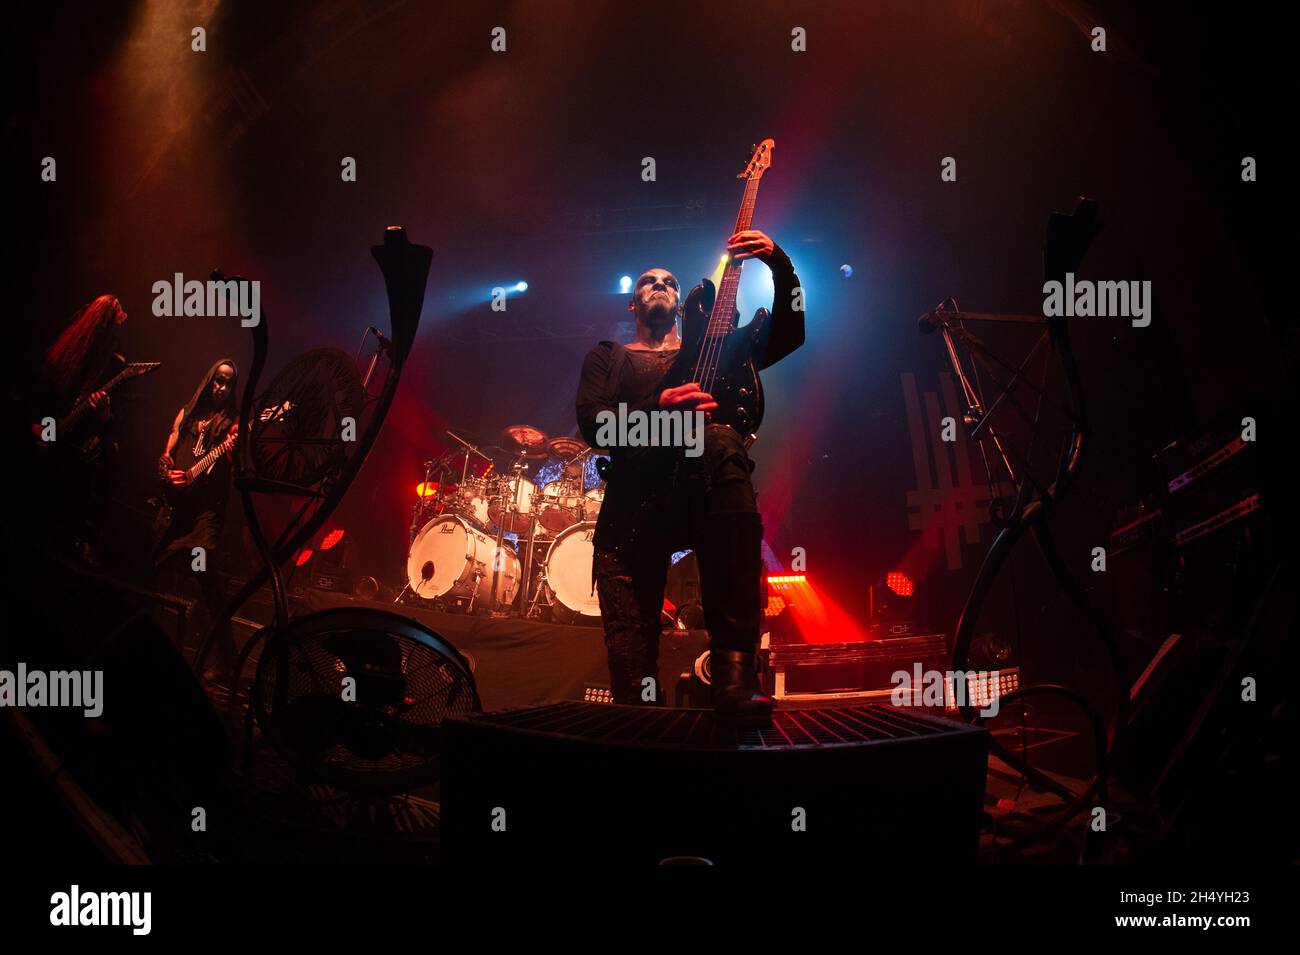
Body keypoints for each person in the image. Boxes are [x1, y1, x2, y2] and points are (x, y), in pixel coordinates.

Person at [575, 230, 804, 726]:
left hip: (704, 490)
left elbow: (792, 333)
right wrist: (656, 406)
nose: (660, 284)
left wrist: (780, 264)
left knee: (721, 443)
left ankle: (736, 676)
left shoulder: (717, 351)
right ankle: (640, 734)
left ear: (682, 303)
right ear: (634, 302)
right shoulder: (608, 357)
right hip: (634, 503)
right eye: (648, 281)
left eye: (670, 282)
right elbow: (596, 427)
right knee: (632, 672)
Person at [153, 360, 241, 681]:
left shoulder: (233, 424)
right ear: (209, 381)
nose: (222, 388)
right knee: (155, 568)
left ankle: (223, 661)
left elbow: (231, 465)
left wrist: (230, 450)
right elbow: (169, 446)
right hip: (178, 509)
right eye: (218, 381)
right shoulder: (187, 413)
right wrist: (167, 470)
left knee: (207, 579)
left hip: (206, 516)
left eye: (228, 383)